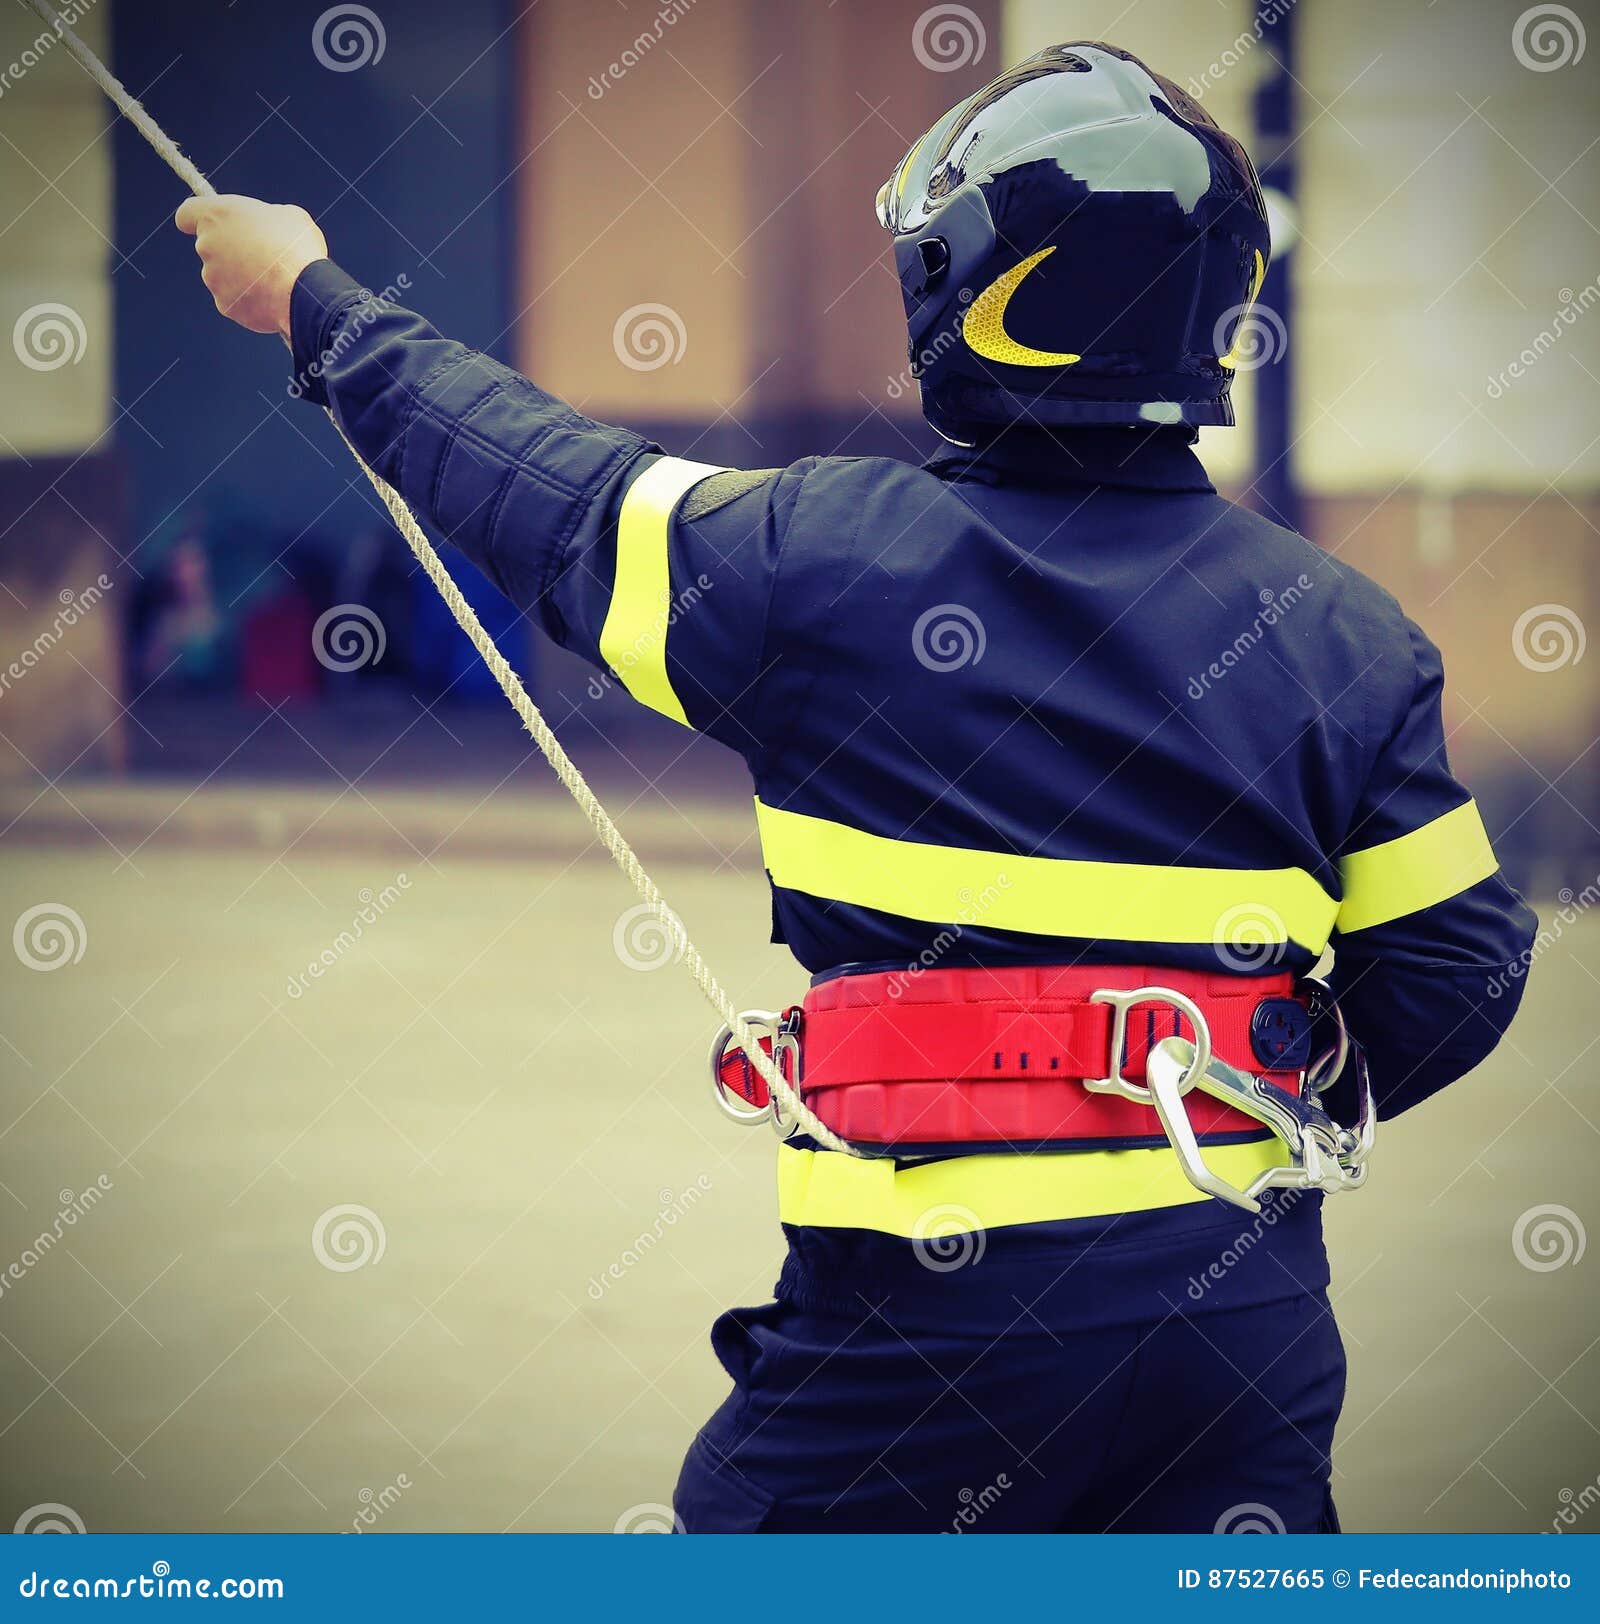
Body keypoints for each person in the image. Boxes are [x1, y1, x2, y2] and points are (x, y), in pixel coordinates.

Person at [177, 42, 1537, 1533]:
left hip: (921, 1350)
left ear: (969, 289)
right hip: (1242, 1336)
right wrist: (1248, 1088)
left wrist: (311, 300)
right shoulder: (1344, 633)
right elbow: (1457, 969)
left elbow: (539, 484)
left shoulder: (818, 564)